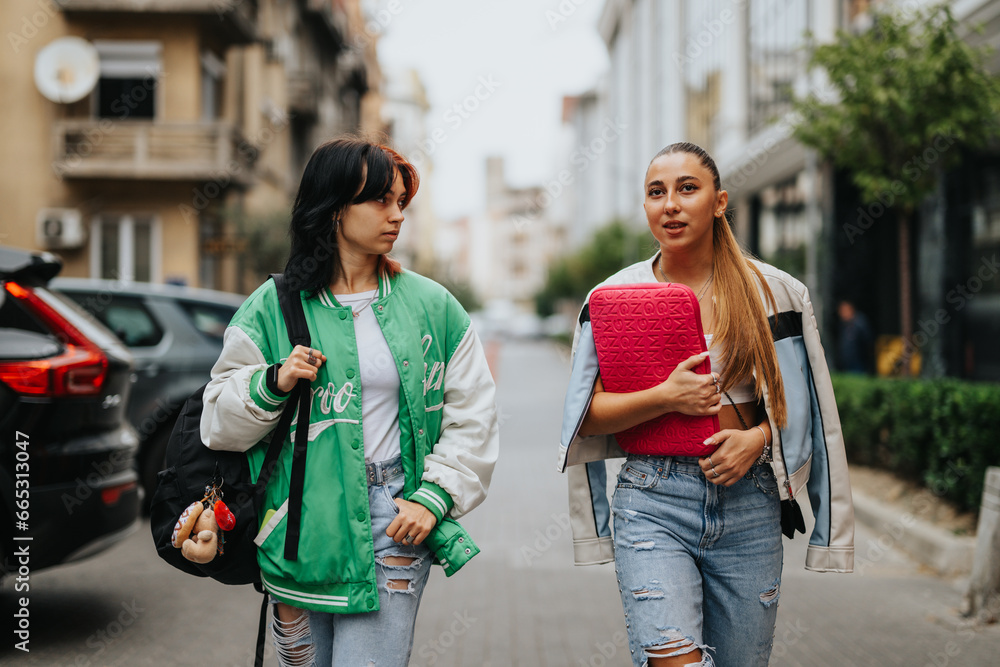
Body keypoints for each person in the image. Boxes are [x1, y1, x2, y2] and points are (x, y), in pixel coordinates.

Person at [201, 137, 499, 667]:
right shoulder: (272, 306)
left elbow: (473, 414)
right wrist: (273, 382)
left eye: (402, 202)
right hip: (297, 523)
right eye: (381, 200)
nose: (397, 215)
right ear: (335, 207)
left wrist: (434, 495)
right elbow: (217, 423)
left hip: (396, 518)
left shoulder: (433, 306)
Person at [557, 142, 854, 666]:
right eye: (656, 192)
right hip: (653, 498)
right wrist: (664, 397)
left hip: (750, 501)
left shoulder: (776, 292)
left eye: (687, 188)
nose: (670, 204)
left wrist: (757, 441)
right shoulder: (613, 298)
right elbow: (585, 417)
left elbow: (811, 406)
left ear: (719, 201)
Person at [837, 299, 874, 374]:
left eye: (844, 310)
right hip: (846, 365)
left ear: (851, 309)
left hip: (859, 364)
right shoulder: (843, 325)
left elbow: (868, 342)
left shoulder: (860, 323)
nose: (841, 314)